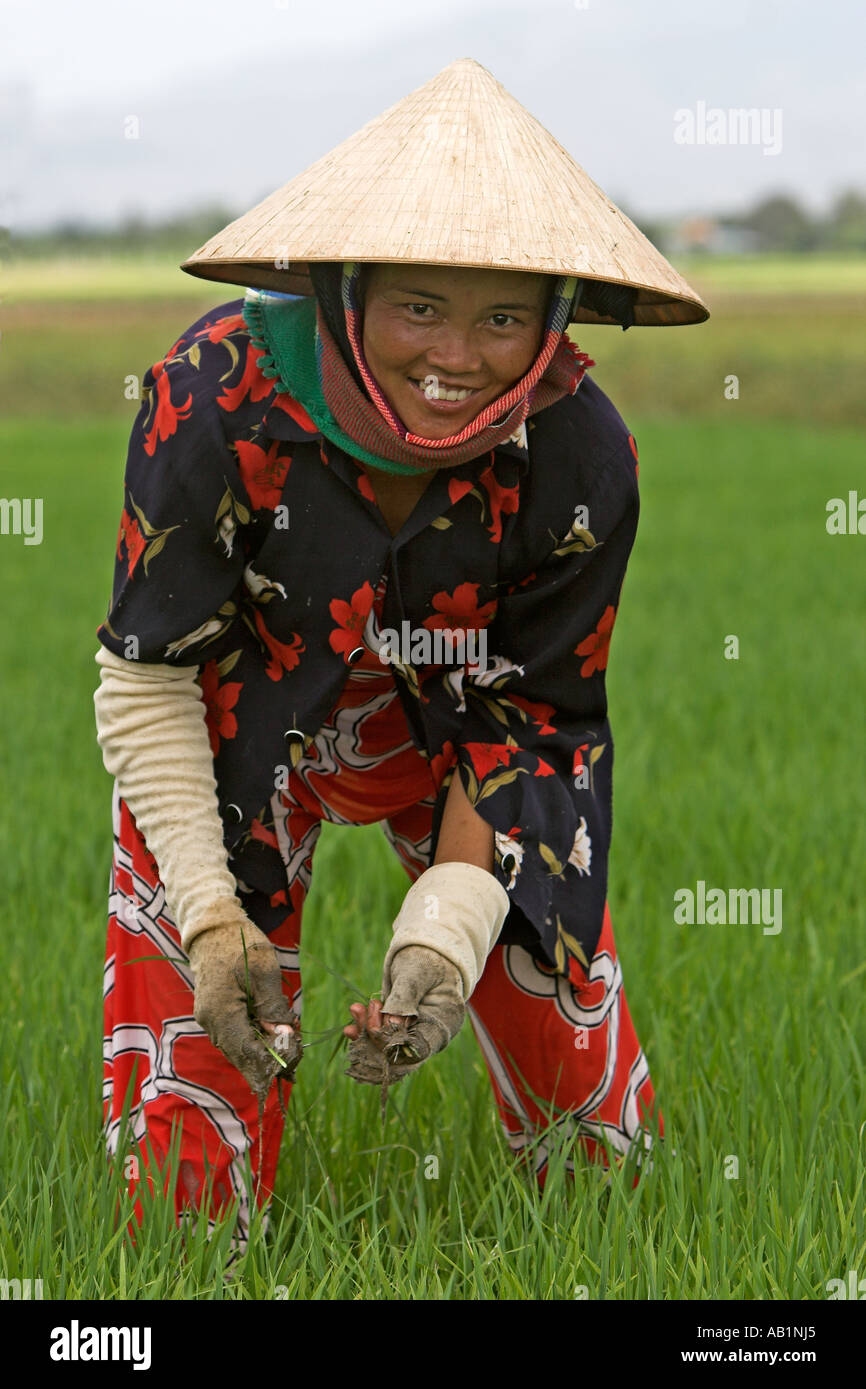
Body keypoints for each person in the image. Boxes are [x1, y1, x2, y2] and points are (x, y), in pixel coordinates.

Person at [93, 58, 708, 1246]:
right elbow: (152, 669)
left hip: (463, 751)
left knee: (591, 1117)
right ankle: (180, 1274)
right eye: (417, 307)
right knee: (183, 1123)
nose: (457, 355)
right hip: (232, 743)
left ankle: (602, 1257)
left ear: (550, 325)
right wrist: (214, 916)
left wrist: (451, 918)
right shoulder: (212, 401)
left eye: (501, 316)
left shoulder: (580, 458)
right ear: (346, 293)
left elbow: (535, 718)